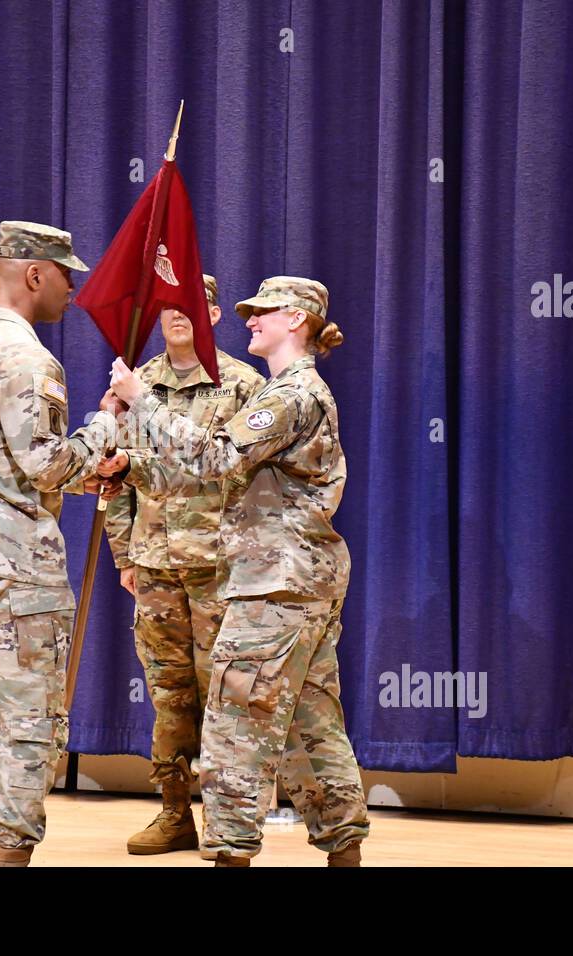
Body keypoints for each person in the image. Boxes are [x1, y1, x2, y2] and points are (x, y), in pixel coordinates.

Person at [101, 276, 370, 867]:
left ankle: (231, 854)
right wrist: (130, 471)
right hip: (296, 579)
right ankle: (343, 851)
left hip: (275, 584)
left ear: (296, 320)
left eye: (263, 313)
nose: (250, 321)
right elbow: (216, 476)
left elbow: (216, 456)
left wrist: (141, 400)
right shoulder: (292, 391)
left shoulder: (288, 395)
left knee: (233, 725)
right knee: (311, 721)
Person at [0, 220, 120, 867]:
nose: (74, 288)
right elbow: (43, 465)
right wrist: (105, 430)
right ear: (35, 274)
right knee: (29, 720)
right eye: (67, 274)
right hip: (11, 558)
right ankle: (10, 860)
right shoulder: (29, 358)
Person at [104, 274, 264, 854]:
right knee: (169, 693)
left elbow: (253, 477)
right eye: (169, 304)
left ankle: (228, 821)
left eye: (193, 305)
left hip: (222, 567)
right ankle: (174, 812)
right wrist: (125, 554)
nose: (179, 314)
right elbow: (114, 473)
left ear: (215, 315)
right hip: (154, 565)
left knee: (225, 696)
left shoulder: (243, 385)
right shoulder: (135, 382)